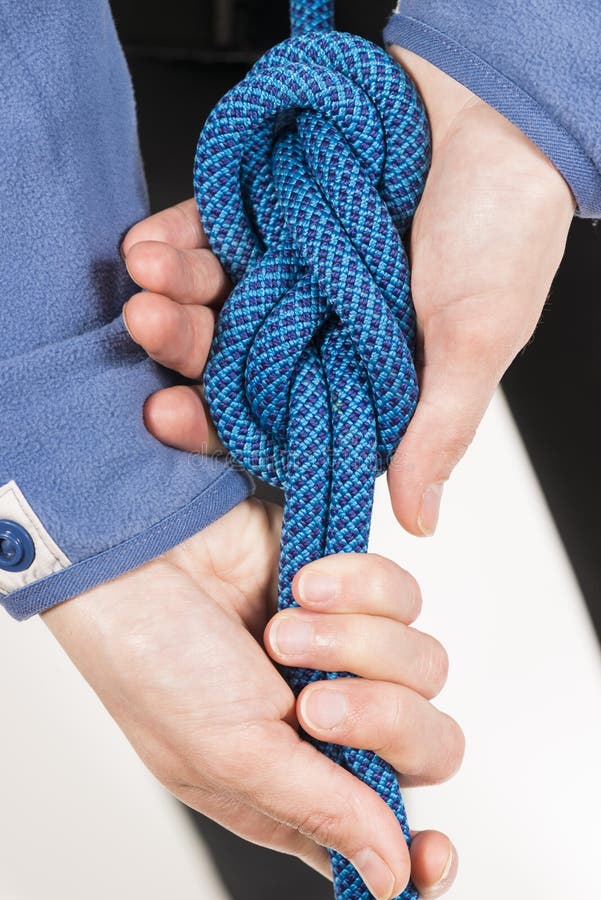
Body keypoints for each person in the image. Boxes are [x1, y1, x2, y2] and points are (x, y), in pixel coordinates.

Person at [1, 1, 597, 897]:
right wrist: (90, 468)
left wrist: (532, 67)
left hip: (536, 82)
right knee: (269, 719)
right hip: (124, 66)